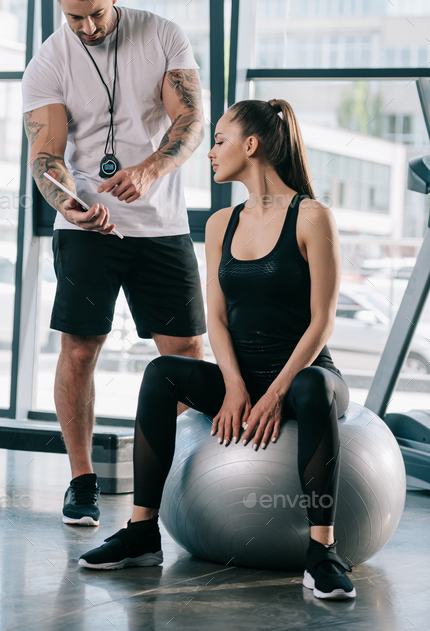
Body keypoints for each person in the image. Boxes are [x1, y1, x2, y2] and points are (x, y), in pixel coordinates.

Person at [79, 98, 356, 602]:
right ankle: (142, 532)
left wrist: (273, 395)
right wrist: (233, 385)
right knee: (163, 371)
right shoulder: (219, 223)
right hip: (242, 377)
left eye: (220, 141)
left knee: (312, 384)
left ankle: (322, 552)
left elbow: (322, 323)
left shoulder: (312, 217)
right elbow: (218, 319)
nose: (210, 152)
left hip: (308, 375)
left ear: (251, 146)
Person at [22, 0, 207, 528]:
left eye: (96, 14)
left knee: (185, 358)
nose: (87, 28)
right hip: (87, 228)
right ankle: (82, 481)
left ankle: (172, 479)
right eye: (74, 17)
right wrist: (72, 205)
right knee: (79, 350)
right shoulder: (49, 62)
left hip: (161, 225)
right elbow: (46, 156)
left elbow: (191, 122)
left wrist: (149, 171)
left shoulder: (163, 35)